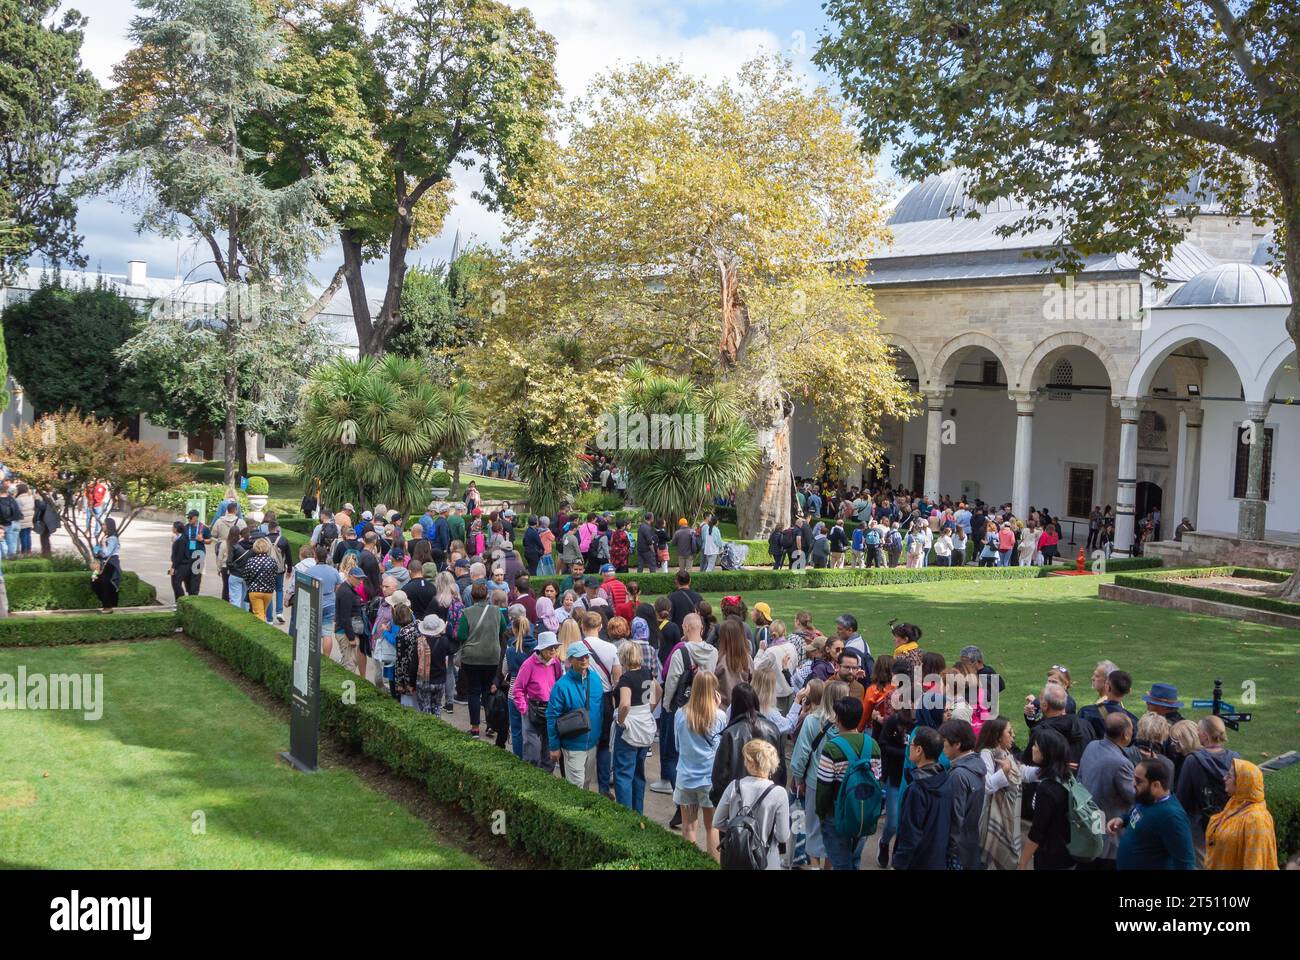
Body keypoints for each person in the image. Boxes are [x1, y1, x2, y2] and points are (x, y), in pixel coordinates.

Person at [814, 696, 876, 870]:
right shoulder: (873, 746)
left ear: (838, 719)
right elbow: (877, 779)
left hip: (837, 813)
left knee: (841, 863)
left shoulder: (832, 748)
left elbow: (824, 787)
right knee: (854, 861)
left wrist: (821, 813)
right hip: (864, 812)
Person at [714, 739, 791, 870]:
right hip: (767, 858)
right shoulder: (779, 793)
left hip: (736, 856)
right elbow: (782, 835)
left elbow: (717, 822)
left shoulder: (734, 786)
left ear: (750, 763)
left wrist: (739, 832)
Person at [674, 671, 727, 858]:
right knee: (712, 827)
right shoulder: (719, 716)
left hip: (686, 776)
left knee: (688, 827)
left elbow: (677, 746)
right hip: (708, 778)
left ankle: (690, 863)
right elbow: (720, 748)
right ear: (714, 691)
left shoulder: (680, 714)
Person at [1174, 715, 1240, 865]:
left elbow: (1182, 800)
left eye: (1198, 731)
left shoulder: (1192, 760)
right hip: (1229, 825)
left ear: (1204, 735)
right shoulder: (1235, 759)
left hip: (1199, 829)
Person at [1112, 755, 1197, 870]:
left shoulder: (1172, 817)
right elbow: (1138, 812)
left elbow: (1186, 863)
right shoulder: (1147, 799)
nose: (1133, 783)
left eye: (1138, 781)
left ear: (1156, 785)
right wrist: (1123, 819)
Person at [1077, 711, 1137, 869]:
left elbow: (1080, 780)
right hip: (1110, 837)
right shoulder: (1121, 763)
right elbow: (1135, 797)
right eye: (1131, 730)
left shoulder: (1092, 746)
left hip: (1088, 829)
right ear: (1125, 734)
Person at [546, 641, 605, 790]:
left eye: (586, 656)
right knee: (575, 786)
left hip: (592, 744)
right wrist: (554, 747)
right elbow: (552, 717)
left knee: (586, 783)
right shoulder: (561, 686)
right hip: (572, 746)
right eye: (579, 657)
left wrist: (599, 737)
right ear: (570, 660)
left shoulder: (596, 680)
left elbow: (601, 710)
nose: (584, 660)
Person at [893, 726, 953, 870]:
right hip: (937, 858)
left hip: (917, 861)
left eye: (911, 744)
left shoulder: (916, 789)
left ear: (919, 750)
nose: (909, 748)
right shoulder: (946, 779)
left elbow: (910, 833)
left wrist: (898, 864)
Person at [455, 582, 510, 739]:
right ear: (487, 596)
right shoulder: (496, 611)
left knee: (473, 691)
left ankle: (475, 727)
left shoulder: (467, 612)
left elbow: (461, 635)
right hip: (492, 656)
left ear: (472, 596)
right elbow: (503, 628)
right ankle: (491, 725)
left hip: (471, 657)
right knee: (488, 690)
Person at [1019, 727, 1076, 870]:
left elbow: (1037, 832)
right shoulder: (1065, 775)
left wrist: (1022, 863)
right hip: (1067, 851)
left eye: (1035, 746)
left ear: (1046, 753)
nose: (1032, 748)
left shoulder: (1047, 789)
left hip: (1052, 857)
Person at [1204, 759, 1278, 870]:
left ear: (1242, 782)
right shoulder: (1235, 802)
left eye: (1229, 776)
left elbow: (1254, 864)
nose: (1224, 779)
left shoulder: (1256, 819)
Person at [612, 639, 659, 813]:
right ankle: (638, 813)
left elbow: (624, 704)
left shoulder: (626, 678)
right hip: (645, 725)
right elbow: (658, 691)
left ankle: (625, 815)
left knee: (624, 773)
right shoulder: (646, 672)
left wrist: (621, 721)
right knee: (639, 773)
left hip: (630, 728)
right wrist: (649, 709)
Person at [975, 716, 1022, 870]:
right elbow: (987, 785)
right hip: (989, 818)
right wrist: (1004, 771)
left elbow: (1021, 773)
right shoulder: (986, 754)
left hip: (1002, 817)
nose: (1013, 735)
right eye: (1009, 732)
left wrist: (1044, 771)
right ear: (997, 736)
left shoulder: (1005, 753)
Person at [513, 631, 564, 770]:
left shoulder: (556, 663)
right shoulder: (529, 664)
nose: (553, 650)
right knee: (532, 752)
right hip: (533, 710)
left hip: (550, 711)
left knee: (549, 754)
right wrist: (524, 710)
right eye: (550, 648)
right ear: (541, 649)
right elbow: (517, 689)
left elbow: (559, 685)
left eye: (555, 647)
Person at [941, 718, 986, 870]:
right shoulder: (978, 764)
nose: (942, 746)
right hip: (971, 844)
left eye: (945, 741)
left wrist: (950, 851)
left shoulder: (958, 775)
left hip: (958, 852)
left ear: (957, 744)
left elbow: (955, 817)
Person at [713, 619, 753, 707]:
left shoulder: (718, 659)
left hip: (722, 708)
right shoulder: (747, 658)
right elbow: (752, 681)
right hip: (742, 707)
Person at [239, 537, 281, 622]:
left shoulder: (251, 561)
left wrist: (250, 584)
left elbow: (246, 576)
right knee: (263, 613)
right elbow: (275, 575)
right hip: (268, 592)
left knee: (259, 614)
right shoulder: (272, 561)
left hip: (255, 591)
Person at [90, 518, 122, 613]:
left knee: (105, 583)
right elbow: (98, 551)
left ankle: (108, 607)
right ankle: (105, 604)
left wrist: (103, 544)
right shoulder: (106, 537)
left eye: (104, 524)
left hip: (110, 564)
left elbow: (107, 553)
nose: (102, 526)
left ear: (109, 526)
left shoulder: (113, 539)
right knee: (94, 581)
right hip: (101, 564)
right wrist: (97, 549)